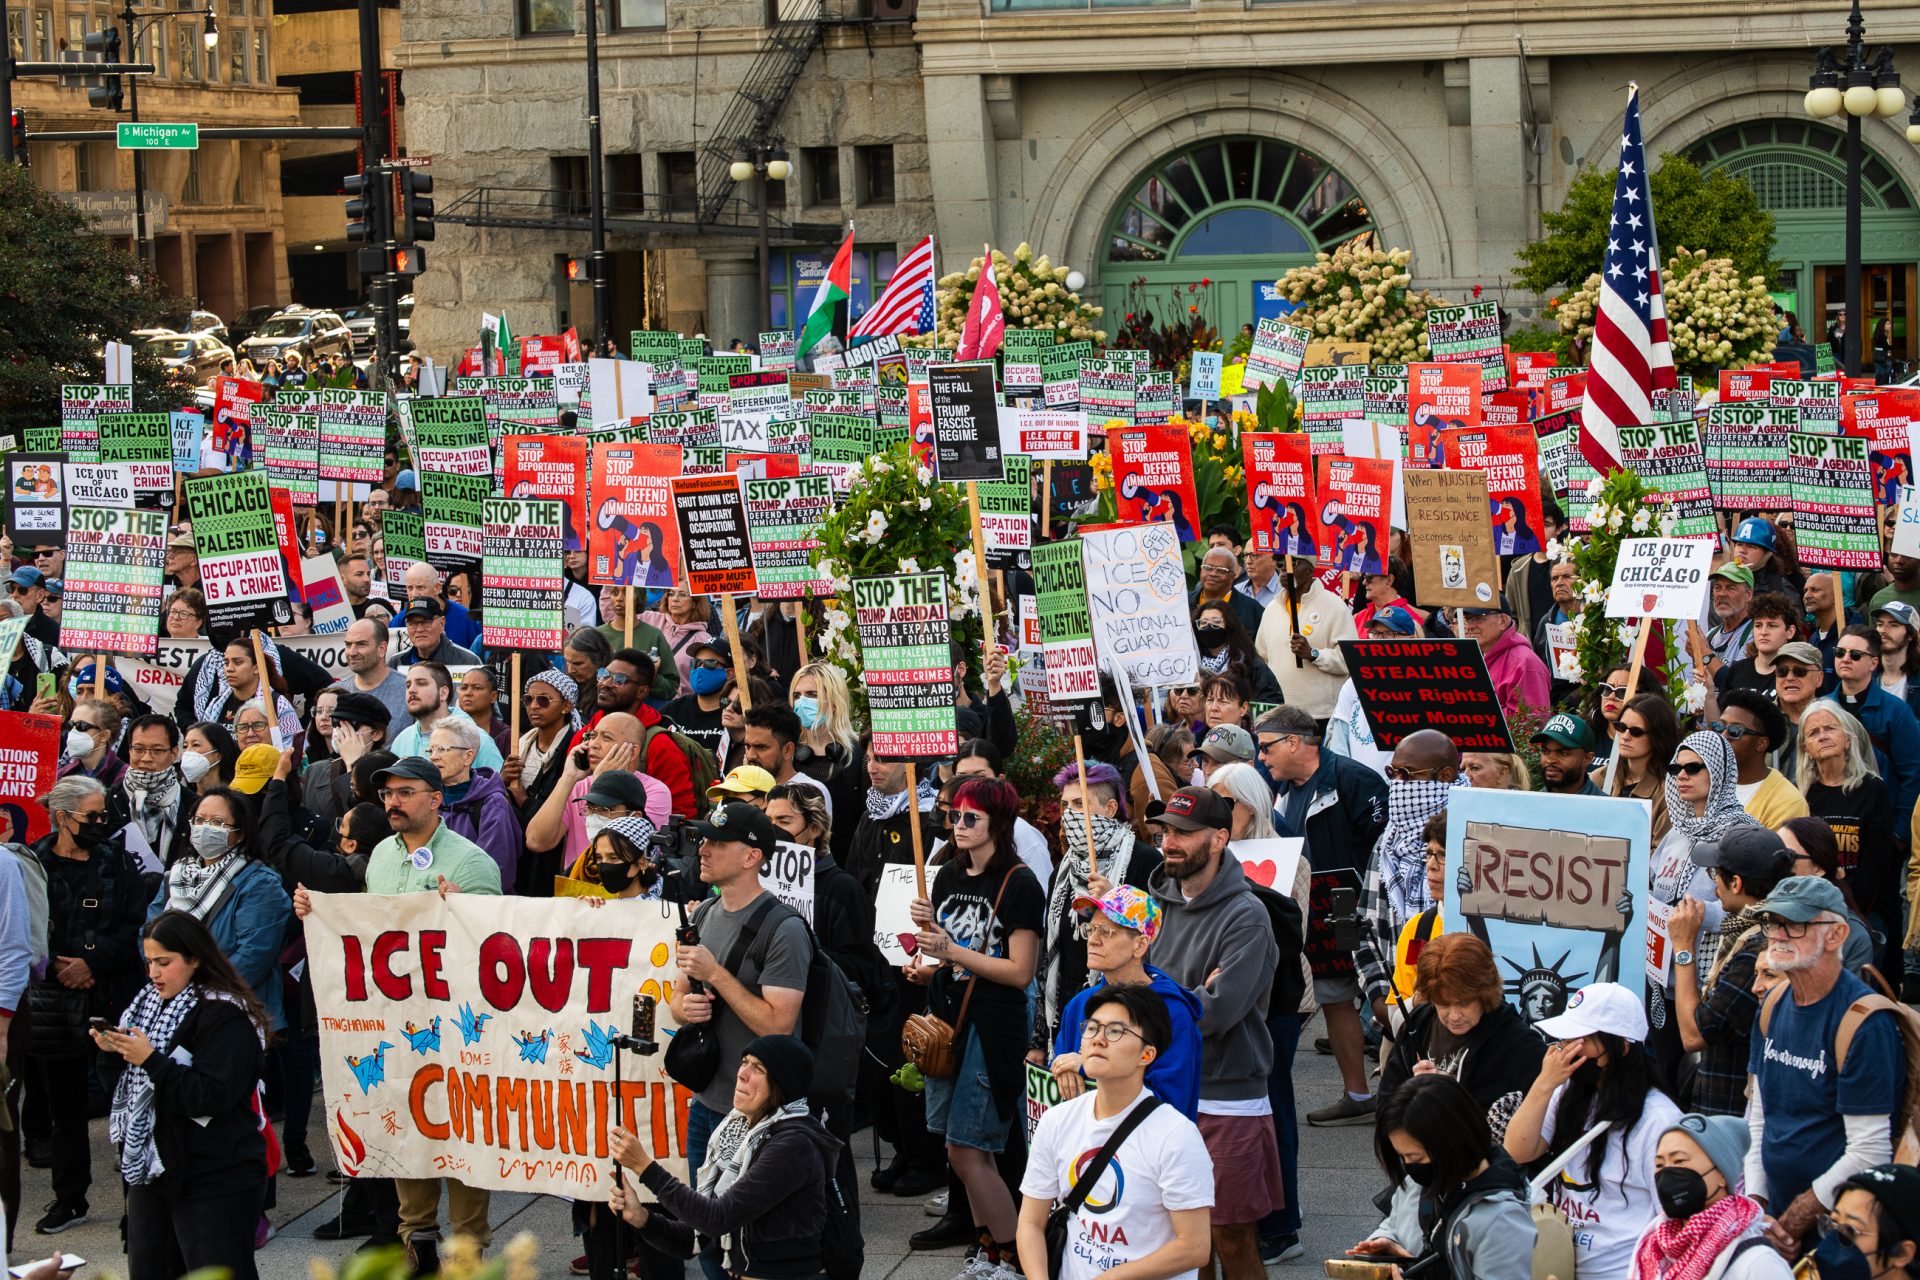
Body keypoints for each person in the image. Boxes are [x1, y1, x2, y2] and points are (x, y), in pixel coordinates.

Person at [292, 757, 499, 1271]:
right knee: (407, 1124)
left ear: (436, 798)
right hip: (396, 1024)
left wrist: (466, 916)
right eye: (387, 794)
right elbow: (370, 931)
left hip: (456, 1029)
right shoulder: (382, 853)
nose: (392, 802)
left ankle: (470, 1245)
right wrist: (318, 914)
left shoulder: (472, 864)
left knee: (461, 1132)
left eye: (405, 793)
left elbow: (495, 949)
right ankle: (417, 1237)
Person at [905, 777, 1045, 1272]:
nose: (958, 826)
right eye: (954, 816)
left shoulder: (1019, 883)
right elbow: (949, 961)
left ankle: (1014, 1259)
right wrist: (928, 960)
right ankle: (991, 1250)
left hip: (993, 1028)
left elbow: (1020, 971)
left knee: (969, 1151)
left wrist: (951, 951)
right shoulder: (945, 876)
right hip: (951, 1021)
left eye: (971, 818)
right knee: (958, 1149)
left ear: (998, 824)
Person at [1143, 786, 1282, 1280]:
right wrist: (1185, 994)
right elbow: (1125, 985)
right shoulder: (1153, 904)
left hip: (1227, 1098)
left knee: (1230, 1236)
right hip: (1163, 1090)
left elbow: (1216, 1013)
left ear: (1220, 837)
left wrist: (1154, 1001)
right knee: (1183, 1238)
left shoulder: (1247, 915)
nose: (1170, 842)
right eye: (1165, 832)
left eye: (1184, 832)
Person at [93, 911, 271, 1280]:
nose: (153, 973)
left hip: (215, 1173)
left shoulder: (225, 1015)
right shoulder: (145, 1007)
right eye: (149, 962)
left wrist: (151, 1061)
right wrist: (114, 1054)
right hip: (153, 1168)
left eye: (164, 962)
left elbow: (210, 1097)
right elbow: (124, 1092)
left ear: (195, 959)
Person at [671, 800, 811, 1247]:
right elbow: (677, 995)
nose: (703, 850)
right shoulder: (705, 914)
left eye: (717, 842)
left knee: (750, 1242)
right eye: (704, 840)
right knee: (706, 1235)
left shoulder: (784, 928)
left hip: (762, 1115)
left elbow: (778, 1026)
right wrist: (684, 1008)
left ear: (752, 857)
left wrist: (716, 975)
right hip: (709, 1101)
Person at [1743, 876, 1907, 1254]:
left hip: (1837, 1235)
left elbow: (1870, 1151)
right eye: (1773, 922)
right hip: (1774, 1224)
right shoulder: (1771, 1004)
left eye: (1796, 924)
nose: (1779, 935)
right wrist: (1758, 1207)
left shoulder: (1864, 1022)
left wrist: (1791, 1224)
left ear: (1836, 935)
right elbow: (1759, 1119)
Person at [1019, 984, 1214, 1280]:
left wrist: (1110, 1278)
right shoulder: (1057, 1120)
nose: (1097, 1039)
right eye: (1092, 1028)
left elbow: (1195, 1247)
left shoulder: (1176, 1136)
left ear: (1146, 1055)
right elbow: (1031, 1223)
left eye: (1115, 1032)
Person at [606, 1036, 841, 1280]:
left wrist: (645, 1168)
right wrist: (641, 1218)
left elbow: (717, 1218)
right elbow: (692, 1240)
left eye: (758, 1068)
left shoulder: (794, 1145)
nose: (742, 1074)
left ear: (783, 1084)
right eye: (744, 1062)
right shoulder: (738, 1131)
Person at [27, 775, 149, 1235]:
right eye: (92, 816)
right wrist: (55, 964)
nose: (101, 823)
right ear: (62, 817)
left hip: (109, 997)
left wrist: (92, 962)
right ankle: (69, 1199)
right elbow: (22, 926)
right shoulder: (33, 865)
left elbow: (137, 925)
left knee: (124, 1107)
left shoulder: (115, 862)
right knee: (65, 1115)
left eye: (103, 815)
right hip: (52, 1004)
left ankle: (134, 1206)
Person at [1505, 982, 1684, 1280]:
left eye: (1581, 1039)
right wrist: (1544, 1084)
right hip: (1561, 1267)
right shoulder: (1569, 1092)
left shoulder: (1658, 1121)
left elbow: (1673, 1220)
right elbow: (1517, 1150)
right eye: (1566, 1037)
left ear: (1621, 1047)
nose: (1565, 1046)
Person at [1261, 706, 1388, 1126]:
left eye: (1267, 748)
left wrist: (1368, 903)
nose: (1262, 758)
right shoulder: (1285, 788)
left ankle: (1413, 1094)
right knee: (1335, 998)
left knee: (1385, 999)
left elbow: (1383, 849)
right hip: (1315, 910)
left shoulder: (1354, 780)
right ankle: (1358, 1094)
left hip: (1359, 909)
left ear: (1294, 742)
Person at [1351, 1075, 1537, 1280]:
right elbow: (1394, 1222)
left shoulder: (1501, 1221)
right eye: (1402, 1157)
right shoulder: (1424, 1178)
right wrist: (1385, 1242)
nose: (1410, 1166)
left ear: (1451, 1143)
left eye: (1415, 1157)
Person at [143, 781, 290, 1034]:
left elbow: (254, 955)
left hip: (235, 1013)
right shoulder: (175, 876)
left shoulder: (259, 883)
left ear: (240, 833)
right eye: (199, 820)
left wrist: (195, 990)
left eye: (217, 823)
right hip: (172, 1008)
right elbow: (149, 933)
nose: (204, 829)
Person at [1667, 827, 1793, 1117]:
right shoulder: (1750, 930)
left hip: (1731, 1118)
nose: (1714, 888)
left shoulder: (1759, 950)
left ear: (1735, 883)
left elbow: (1694, 1036)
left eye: (1716, 876)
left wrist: (1683, 947)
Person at [1047, 888, 1202, 1119]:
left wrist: (1086, 1067)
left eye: (1106, 932)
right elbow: (1059, 1072)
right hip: (1083, 1148)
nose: (1092, 940)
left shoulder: (1173, 1012)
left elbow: (1169, 1104)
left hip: (1146, 1149)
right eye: (1091, 929)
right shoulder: (1079, 1005)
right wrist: (1060, 1070)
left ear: (1139, 945)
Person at [1037, 761, 1160, 1046]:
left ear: (1110, 809)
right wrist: (1039, 1039)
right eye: (1066, 805)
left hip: (1125, 1006)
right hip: (1070, 1009)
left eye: (1080, 804)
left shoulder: (1146, 861)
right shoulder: (1063, 870)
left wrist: (1115, 901)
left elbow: (1157, 938)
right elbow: (1047, 956)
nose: (1070, 815)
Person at [1377, 933, 1546, 1134]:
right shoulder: (1418, 1025)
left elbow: (1536, 1127)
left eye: (1464, 1003)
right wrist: (1412, 1094)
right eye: (1443, 1004)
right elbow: (1386, 1106)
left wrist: (1452, 1095)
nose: (1454, 1016)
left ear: (1484, 993)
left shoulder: (1518, 1043)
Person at [1354, 730, 1461, 1034]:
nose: (1397, 784)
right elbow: (1367, 924)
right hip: (1399, 1015)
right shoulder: (1388, 842)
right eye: (1393, 773)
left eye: (1407, 774)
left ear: (1445, 775)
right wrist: (1379, 997)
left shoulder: (1473, 836)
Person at [1794, 701, 1899, 972]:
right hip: (1812, 912)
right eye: (1814, 732)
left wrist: (1845, 908)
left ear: (1847, 738)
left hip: (1864, 912)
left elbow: (1876, 864)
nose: (1823, 735)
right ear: (1805, 747)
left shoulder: (1872, 789)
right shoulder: (1802, 795)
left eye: (1830, 728)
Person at [1628, 1112, 1791, 1280]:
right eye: (1659, 1164)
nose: (1667, 1173)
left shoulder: (1758, 1263)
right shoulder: (1652, 1250)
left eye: (1679, 1161)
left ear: (1721, 1174)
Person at [1252, 556, 1353, 719]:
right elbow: (1261, 658)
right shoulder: (1272, 608)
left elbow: (1348, 661)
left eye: (1293, 563)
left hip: (1320, 715)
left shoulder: (1335, 607)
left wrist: (1313, 654)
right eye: (1281, 563)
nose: (1285, 568)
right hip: (1278, 713)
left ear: (1310, 570)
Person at [429, 717, 522, 888]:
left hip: (478, 903)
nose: (434, 757)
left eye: (442, 749)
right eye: (431, 750)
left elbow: (496, 870)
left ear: (468, 756)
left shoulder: (493, 804)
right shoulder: (428, 799)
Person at [1326, 604, 1418, 777]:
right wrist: (1347, 782)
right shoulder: (1354, 683)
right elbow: (1340, 739)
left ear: (1409, 639)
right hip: (1357, 787)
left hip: (1400, 786)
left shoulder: (1421, 684)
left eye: (1388, 633)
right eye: (1375, 633)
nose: (1379, 640)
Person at [1776, 816, 1876, 974]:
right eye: (1775, 855)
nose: (1777, 864)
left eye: (1789, 857)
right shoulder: (1763, 914)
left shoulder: (1851, 935)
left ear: (1818, 868)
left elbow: (1849, 997)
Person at [109, 713, 200, 869]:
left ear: (173, 753)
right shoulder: (109, 799)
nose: (146, 758)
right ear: (129, 750)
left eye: (157, 751)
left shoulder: (194, 805)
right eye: (138, 749)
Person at [1715, 690, 1809, 828]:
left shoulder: (1787, 802)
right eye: (1720, 726)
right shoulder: (1702, 782)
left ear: (1761, 743)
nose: (1723, 736)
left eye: (1735, 730)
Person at [1595, 693, 1679, 844]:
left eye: (1636, 732)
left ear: (1658, 736)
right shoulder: (1599, 777)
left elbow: (1659, 854)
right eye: (1620, 727)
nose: (1625, 736)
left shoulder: (1670, 792)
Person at [389, 663, 505, 771]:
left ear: (443, 693)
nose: (412, 690)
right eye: (408, 685)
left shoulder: (478, 740)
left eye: (421, 683)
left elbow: (495, 788)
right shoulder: (401, 740)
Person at [1459, 595, 1551, 721]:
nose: (1469, 626)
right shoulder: (1476, 658)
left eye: (1478, 619)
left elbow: (1532, 723)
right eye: (1468, 619)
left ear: (1502, 621)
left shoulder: (1524, 663)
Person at [1713, 591, 1802, 703]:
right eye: (1758, 625)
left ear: (1790, 631)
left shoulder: (1799, 672)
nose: (1763, 632)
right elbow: (1720, 717)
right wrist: (1709, 697)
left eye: (1772, 625)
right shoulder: (1736, 671)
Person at [332, 617, 410, 729]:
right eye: (348, 645)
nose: (352, 652)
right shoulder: (334, 693)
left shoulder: (409, 691)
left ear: (382, 649)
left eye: (361, 644)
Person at [641, 589, 715, 697]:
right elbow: (613, 617)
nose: (675, 599)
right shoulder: (649, 618)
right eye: (671, 594)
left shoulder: (703, 640)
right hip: (643, 700)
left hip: (676, 706)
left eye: (682, 594)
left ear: (695, 602)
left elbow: (705, 683)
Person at [1191, 545, 1264, 637]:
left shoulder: (1252, 610)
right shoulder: (1184, 603)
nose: (1213, 574)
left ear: (1233, 577)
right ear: (1201, 570)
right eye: (1208, 568)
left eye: (1221, 571)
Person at [396, 597, 481, 668]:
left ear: (442, 623)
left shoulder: (468, 661)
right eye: (413, 623)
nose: (419, 629)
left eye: (426, 622)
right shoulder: (397, 662)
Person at [1533, 712, 1601, 794]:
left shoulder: (1606, 806)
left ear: (1587, 759)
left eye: (1563, 753)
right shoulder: (1528, 804)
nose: (1550, 760)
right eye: (1545, 751)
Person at [456, 667, 512, 758]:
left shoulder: (508, 737)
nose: (468, 693)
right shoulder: (448, 732)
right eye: (464, 688)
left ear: (493, 696)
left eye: (477, 688)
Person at [1462, 750, 1529, 789]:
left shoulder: (1520, 811)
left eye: (1475, 768)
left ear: (1502, 773)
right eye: (1462, 769)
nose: (1465, 775)